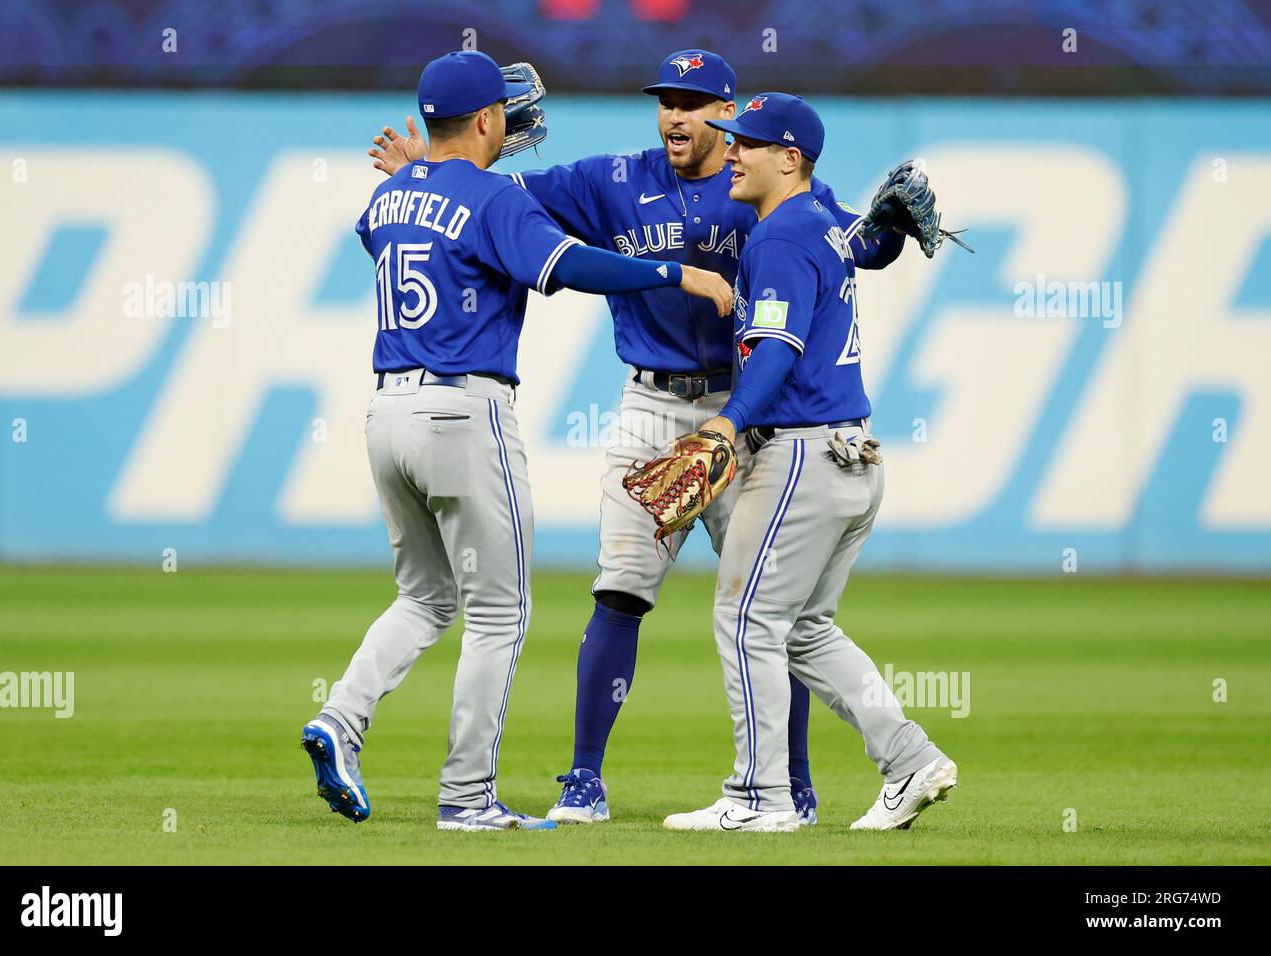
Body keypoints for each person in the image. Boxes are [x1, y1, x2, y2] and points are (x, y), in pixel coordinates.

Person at [368, 50, 908, 827]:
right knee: (619, 589)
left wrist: (891, 234)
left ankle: (792, 786)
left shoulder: (764, 184)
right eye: (667, 102)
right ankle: (585, 779)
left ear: (729, 117)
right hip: (651, 404)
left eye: (696, 103)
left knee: (772, 611)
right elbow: (494, 195)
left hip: (745, 410)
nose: (677, 117)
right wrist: (433, 164)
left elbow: (858, 243)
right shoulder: (610, 180)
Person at [300, 50, 732, 832]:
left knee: (426, 596)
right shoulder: (497, 198)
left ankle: (339, 720)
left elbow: (396, 231)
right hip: (463, 413)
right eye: (503, 108)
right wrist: (677, 277)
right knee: (500, 614)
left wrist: (420, 176)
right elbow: (570, 266)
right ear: (486, 119)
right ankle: (467, 797)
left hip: (385, 414)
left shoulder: (392, 194)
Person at [662, 93, 957, 832]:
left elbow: (776, 351)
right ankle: (910, 759)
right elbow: (869, 242)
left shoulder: (778, 242)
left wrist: (729, 424)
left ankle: (760, 798)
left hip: (800, 454)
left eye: (747, 145)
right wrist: (884, 233)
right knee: (805, 629)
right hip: (853, 455)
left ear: (788, 158)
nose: (730, 153)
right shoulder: (820, 219)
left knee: (746, 618)